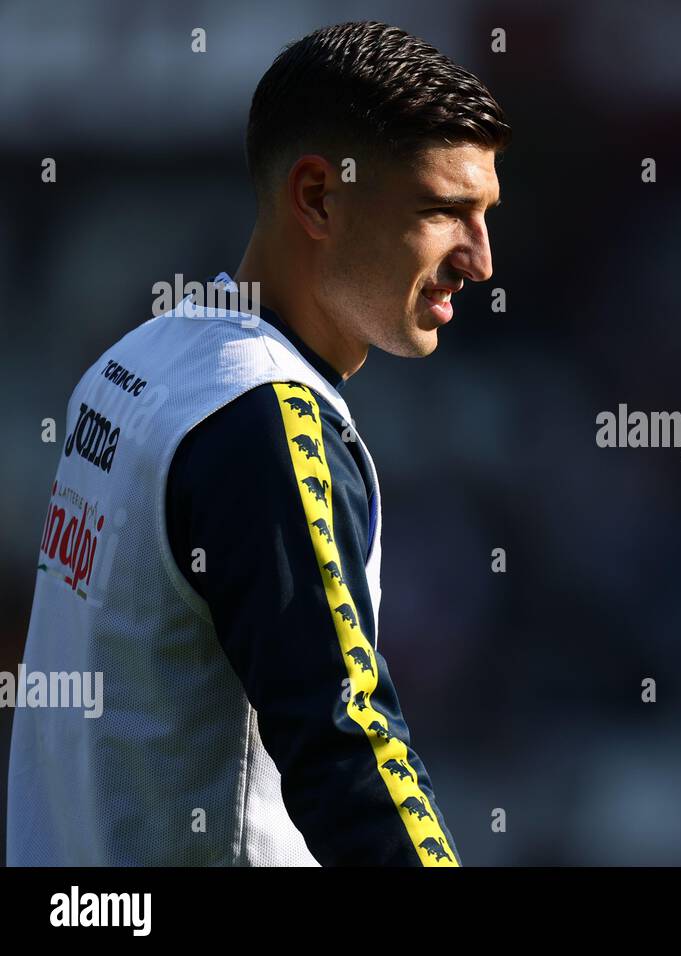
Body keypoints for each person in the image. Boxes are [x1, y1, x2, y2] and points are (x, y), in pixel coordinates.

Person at [6, 20, 509, 866]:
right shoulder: (265, 426)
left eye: (486, 215)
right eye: (444, 212)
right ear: (317, 197)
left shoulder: (133, 366)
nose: (481, 259)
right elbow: (353, 753)